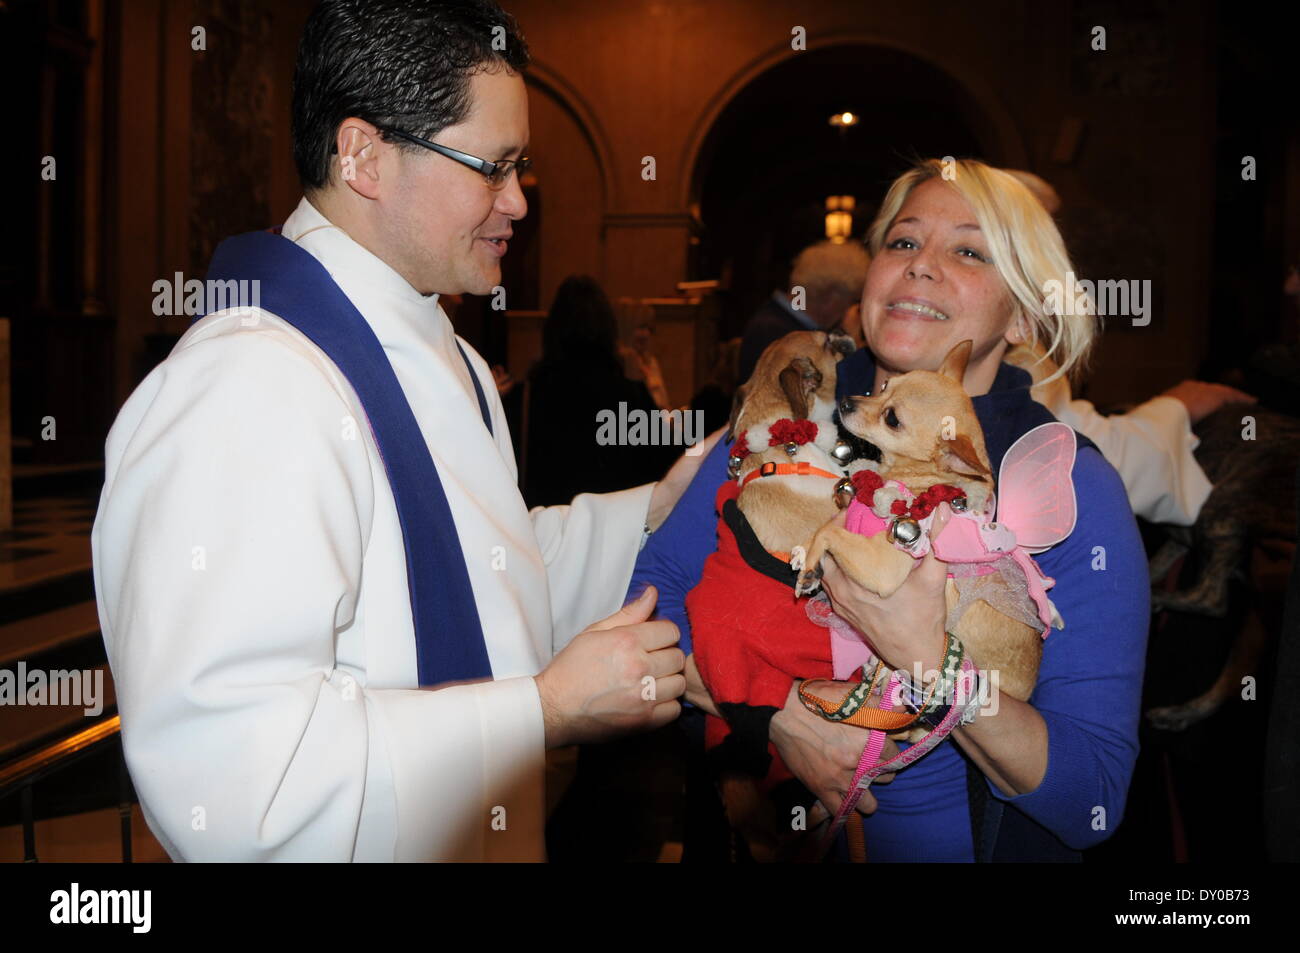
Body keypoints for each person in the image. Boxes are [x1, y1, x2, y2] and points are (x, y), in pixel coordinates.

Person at [91, 0, 715, 862]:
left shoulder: (443, 350)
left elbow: (481, 573)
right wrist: (540, 711)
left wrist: (653, 511)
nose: (518, 202)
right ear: (363, 156)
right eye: (493, 168)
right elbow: (234, 780)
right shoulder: (249, 384)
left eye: (522, 168)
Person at [631, 158, 1151, 861]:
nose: (920, 265)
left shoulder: (1066, 483)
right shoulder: (791, 417)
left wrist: (933, 663)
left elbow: (1093, 798)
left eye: (969, 252)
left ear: (1026, 313)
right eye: (903, 241)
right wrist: (779, 716)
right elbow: (646, 607)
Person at [1002, 168, 1254, 526]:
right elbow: (1069, 459)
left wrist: (1173, 407)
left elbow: (1073, 436)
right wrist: (1175, 408)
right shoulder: (1010, 352)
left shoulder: (1018, 339)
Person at [523, 276, 677, 506]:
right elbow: (663, 457)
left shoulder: (534, 389)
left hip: (550, 514)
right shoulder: (624, 389)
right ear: (609, 329)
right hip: (613, 512)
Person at [737, 240, 870, 383]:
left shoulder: (775, 321)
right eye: (853, 301)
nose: (850, 310)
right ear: (831, 299)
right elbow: (827, 389)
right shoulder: (777, 333)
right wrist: (850, 341)